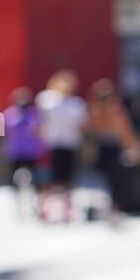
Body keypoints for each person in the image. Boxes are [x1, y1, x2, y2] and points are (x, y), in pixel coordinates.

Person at [85, 78, 140, 218]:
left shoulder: (117, 112)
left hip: (114, 149)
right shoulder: (94, 112)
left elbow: (125, 133)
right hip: (100, 149)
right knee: (99, 180)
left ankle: (117, 205)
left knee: (117, 177)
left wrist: (134, 148)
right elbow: (90, 132)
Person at [36, 70, 87, 222]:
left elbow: (81, 125)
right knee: (48, 179)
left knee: (68, 180)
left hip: (69, 144)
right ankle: (44, 209)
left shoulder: (76, 105)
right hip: (51, 144)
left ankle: (66, 210)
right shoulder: (47, 100)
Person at [2, 88, 44, 215]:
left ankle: (35, 204)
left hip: (31, 151)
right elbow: (6, 130)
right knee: (14, 180)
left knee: (35, 179)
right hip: (15, 152)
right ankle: (17, 204)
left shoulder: (34, 113)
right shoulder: (9, 114)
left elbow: (38, 130)